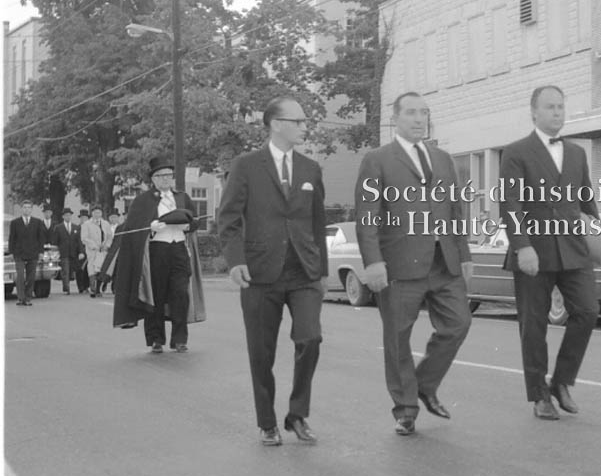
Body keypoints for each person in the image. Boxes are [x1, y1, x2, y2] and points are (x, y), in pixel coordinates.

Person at [354, 91, 473, 436]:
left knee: (458, 325)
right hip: (399, 265)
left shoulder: (443, 159)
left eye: (424, 113)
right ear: (396, 118)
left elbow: (454, 210)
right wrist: (373, 262)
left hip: (443, 261)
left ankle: (423, 384)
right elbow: (366, 216)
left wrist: (463, 253)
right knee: (397, 337)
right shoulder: (377, 159)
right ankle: (406, 409)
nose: (420, 119)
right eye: (411, 113)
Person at [218, 97, 328, 446]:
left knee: (310, 338)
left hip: (303, 272)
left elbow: (317, 220)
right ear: (277, 124)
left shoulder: (311, 169)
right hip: (260, 272)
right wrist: (236, 260)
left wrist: (322, 270)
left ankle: (298, 413)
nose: (303, 127)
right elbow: (229, 218)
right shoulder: (246, 166)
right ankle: (267, 422)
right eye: (297, 121)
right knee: (261, 352)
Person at [499, 85, 601, 420]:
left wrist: (598, 232)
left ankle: (561, 382)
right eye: (550, 107)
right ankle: (539, 395)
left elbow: (587, 202)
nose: (557, 112)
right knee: (533, 326)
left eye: (560, 106)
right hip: (534, 252)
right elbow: (510, 204)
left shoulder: (576, 153)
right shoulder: (515, 152)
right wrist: (522, 246)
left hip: (573, 250)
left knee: (587, 311)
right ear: (534, 112)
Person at [112, 159, 205, 354]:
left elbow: (194, 221)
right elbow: (136, 228)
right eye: (161, 176)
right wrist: (151, 229)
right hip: (156, 251)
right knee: (157, 294)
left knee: (180, 294)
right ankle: (156, 338)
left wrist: (187, 226)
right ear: (153, 179)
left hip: (178, 249)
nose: (165, 180)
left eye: (168, 176)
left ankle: (180, 338)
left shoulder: (182, 198)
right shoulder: (143, 201)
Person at [8, 201, 45, 306]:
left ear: (31, 209)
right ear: (21, 209)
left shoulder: (37, 222)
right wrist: (11, 252)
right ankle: (20, 298)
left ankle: (28, 298)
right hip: (19, 253)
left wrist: (41, 252)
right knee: (19, 276)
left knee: (31, 277)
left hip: (33, 253)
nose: (27, 209)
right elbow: (12, 238)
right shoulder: (15, 222)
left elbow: (41, 238)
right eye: (24, 207)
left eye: (29, 207)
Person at [80, 207, 114, 297]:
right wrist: (94, 245)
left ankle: (98, 289)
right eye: (95, 212)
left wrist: (107, 245)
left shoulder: (105, 224)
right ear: (92, 213)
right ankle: (92, 288)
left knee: (101, 268)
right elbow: (84, 238)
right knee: (92, 269)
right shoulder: (86, 224)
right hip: (92, 250)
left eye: (99, 212)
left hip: (103, 250)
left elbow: (109, 237)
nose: (97, 214)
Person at [52, 208, 78, 294]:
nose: (68, 217)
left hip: (73, 252)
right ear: (63, 216)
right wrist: (56, 252)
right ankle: (66, 288)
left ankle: (69, 284)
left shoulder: (75, 227)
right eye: (66, 215)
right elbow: (55, 241)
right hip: (63, 252)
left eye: (69, 215)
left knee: (71, 271)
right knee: (65, 270)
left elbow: (79, 241)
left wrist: (80, 252)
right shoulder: (58, 227)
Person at [74, 212, 91, 293]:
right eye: (82, 218)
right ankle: (81, 287)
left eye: (85, 218)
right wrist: (81, 252)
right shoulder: (76, 228)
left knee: (88, 271)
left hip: (89, 252)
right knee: (79, 271)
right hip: (79, 253)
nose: (83, 219)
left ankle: (87, 286)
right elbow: (76, 242)